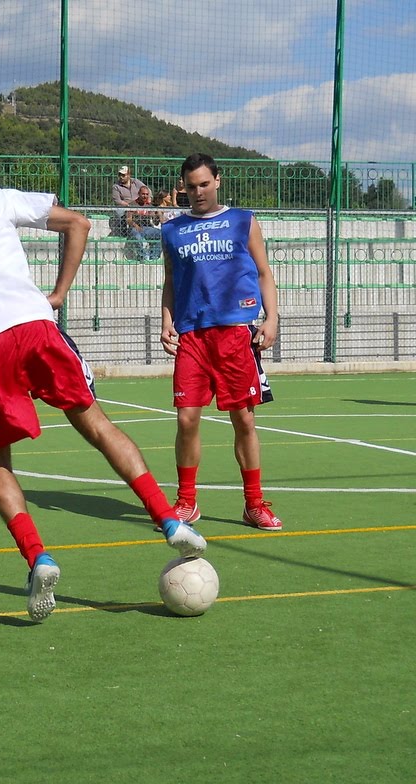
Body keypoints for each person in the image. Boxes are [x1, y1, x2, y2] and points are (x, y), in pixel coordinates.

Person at [0, 143, 206, 623]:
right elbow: (79, 223)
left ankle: (38, 557)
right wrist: (59, 293)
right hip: (34, 325)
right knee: (96, 424)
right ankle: (168, 519)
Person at [160, 153, 283, 531]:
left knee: (244, 420)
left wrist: (272, 318)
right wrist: (166, 321)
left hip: (235, 334)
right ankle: (186, 502)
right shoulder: (172, 231)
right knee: (186, 418)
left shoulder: (243, 220)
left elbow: (263, 272)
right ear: (183, 187)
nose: (197, 192)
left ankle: (254, 504)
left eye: (203, 184)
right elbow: (170, 281)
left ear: (217, 180)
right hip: (193, 337)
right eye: (190, 186)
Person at [125, 185, 163, 260]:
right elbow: (128, 219)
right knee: (137, 237)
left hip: (147, 229)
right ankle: (142, 256)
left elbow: (155, 223)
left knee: (162, 235)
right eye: (143, 194)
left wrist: (157, 215)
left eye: (146, 194)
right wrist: (135, 225)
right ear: (139, 194)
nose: (145, 196)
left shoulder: (149, 206)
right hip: (134, 229)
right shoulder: (133, 204)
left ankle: (154, 257)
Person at [110, 165, 148, 236]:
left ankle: (147, 227)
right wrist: (129, 205)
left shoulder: (136, 182)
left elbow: (146, 189)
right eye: (120, 175)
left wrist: (148, 199)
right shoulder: (116, 186)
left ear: (128, 175)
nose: (121, 177)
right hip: (126, 206)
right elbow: (117, 201)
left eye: (123, 175)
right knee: (119, 211)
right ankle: (123, 231)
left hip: (139, 204)